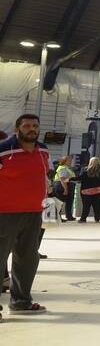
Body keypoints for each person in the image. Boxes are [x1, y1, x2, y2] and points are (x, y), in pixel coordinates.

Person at [0, 114, 51, 317]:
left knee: (28, 258)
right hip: (5, 213)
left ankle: (21, 301)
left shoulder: (43, 150)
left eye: (35, 125)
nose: (32, 129)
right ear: (17, 128)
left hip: (34, 213)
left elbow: (43, 175)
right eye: (27, 125)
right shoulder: (4, 150)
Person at [78, 157, 100, 222]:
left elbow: (80, 178)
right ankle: (97, 218)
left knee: (86, 205)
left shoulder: (85, 170)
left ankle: (83, 218)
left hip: (86, 191)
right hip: (99, 191)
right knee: (97, 205)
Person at [52, 155, 76, 221]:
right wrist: (65, 189)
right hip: (61, 186)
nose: (71, 161)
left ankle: (69, 216)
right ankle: (58, 217)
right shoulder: (62, 168)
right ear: (65, 161)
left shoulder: (66, 168)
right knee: (60, 202)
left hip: (65, 185)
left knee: (68, 202)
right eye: (69, 160)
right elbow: (62, 179)